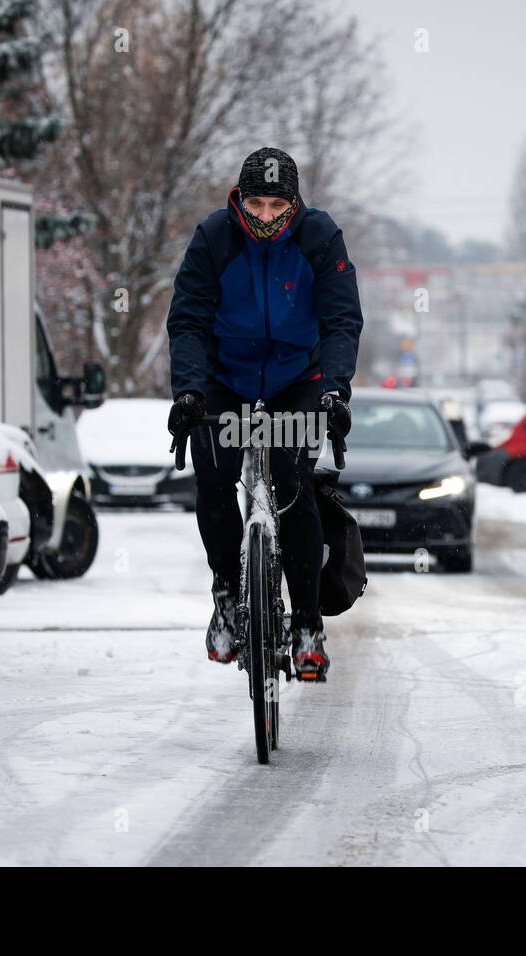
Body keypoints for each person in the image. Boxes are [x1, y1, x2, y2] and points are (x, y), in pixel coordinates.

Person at [165, 147, 363, 681]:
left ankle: (305, 626)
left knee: (294, 484)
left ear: (294, 202)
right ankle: (228, 597)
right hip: (223, 380)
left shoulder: (320, 236)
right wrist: (188, 392)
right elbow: (187, 321)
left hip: (299, 380)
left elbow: (342, 321)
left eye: (278, 205)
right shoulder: (214, 237)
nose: (267, 216)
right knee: (213, 476)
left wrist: (334, 393)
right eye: (256, 203)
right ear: (239, 200)